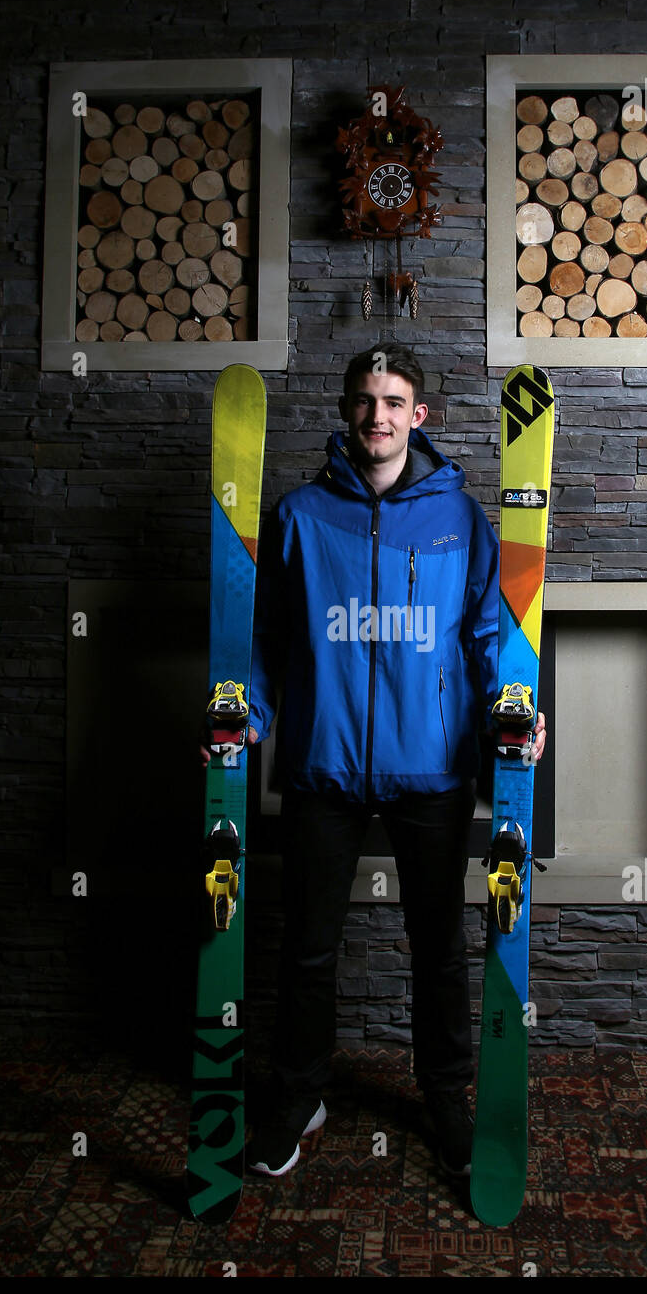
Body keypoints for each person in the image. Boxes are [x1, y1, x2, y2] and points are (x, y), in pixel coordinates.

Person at [202, 343, 546, 1178]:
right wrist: (244, 712)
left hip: (428, 767)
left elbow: (490, 636)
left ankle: (445, 1097)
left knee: (437, 947)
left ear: (417, 415)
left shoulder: (461, 519)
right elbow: (268, 640)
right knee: (307, 947)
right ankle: (297, 1096)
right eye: (364, 401)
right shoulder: (298, 516)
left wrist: (516, 710)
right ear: (347, 411)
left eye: (393, 402)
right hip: (324, 766)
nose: (378, 416)